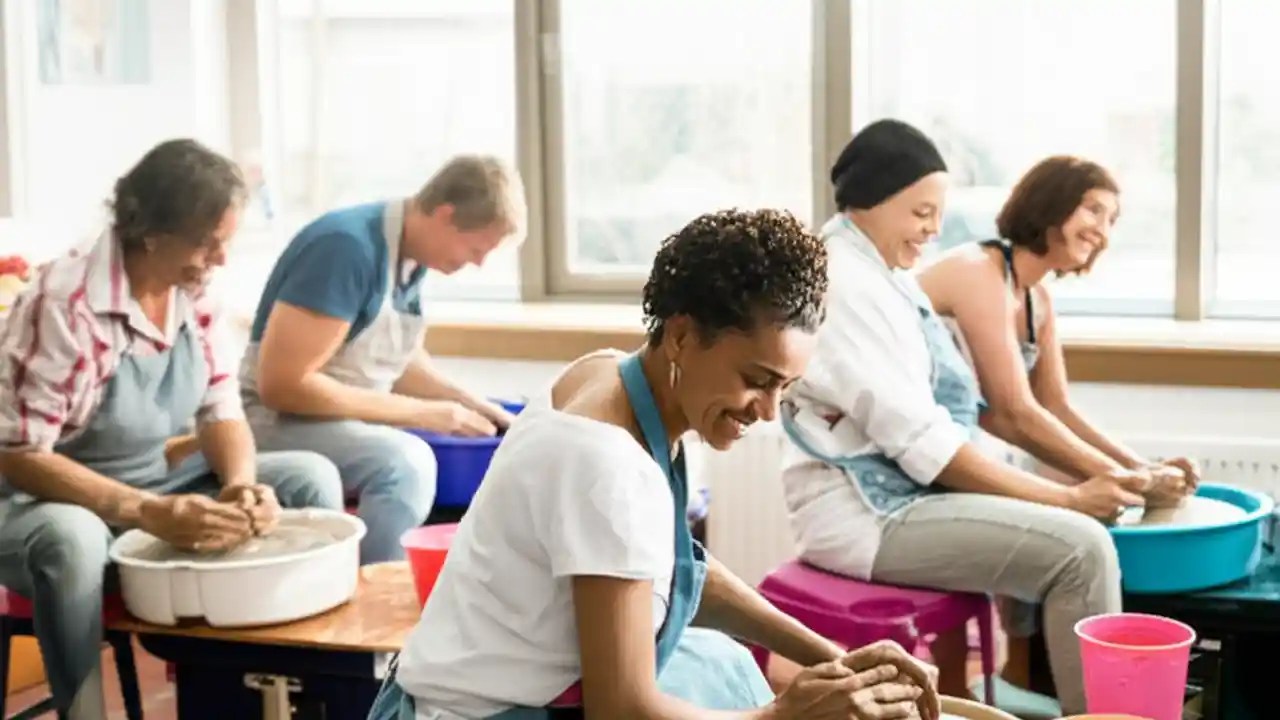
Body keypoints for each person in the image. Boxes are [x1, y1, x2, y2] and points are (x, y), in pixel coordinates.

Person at [368, 209, 941, 720]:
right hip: (468, 711)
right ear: (684, 336)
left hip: (490, 684)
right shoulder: (604, 464)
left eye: (785, 388)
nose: (768, 412)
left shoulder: (610, 375)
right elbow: (623, 710)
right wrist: (782, 716)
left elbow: (671, 562)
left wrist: (835, 657)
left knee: (721, 661)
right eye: (756, 381)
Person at [779, 120, 1158, 716]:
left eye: (937, 212)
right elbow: (930, 441)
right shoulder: (847, 282)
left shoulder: (883, 276)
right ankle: (1097, 713)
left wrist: (1129, 474)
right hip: (865, 514)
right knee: (1080, 548)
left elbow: (1033, 408)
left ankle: (1054, 700)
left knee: (1074, 526)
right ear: (871, 202)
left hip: (902, 497)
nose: (934, 228)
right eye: (920, 212)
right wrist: (1070, 500)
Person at [0, 139, 344, 720]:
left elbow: (220, 406)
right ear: (151, 231)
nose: (219, 259)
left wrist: (240, 483)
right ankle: (83, 713)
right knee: (75, 540)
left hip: (146, 488)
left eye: (224, 242)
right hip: (34, 500)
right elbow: (18, 453)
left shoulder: (192, 288)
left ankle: (289, 690)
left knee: (307, 477)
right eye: (207, 243)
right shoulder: (66, 301)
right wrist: (145, 511)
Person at [913, 155, 1199, 695]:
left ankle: (1027, 677)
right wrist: (1137, 484)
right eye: (1094, 209)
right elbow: (1010, 412)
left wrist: (1143, 467)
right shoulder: (979, 271)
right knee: (1069, 509)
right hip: (905, 467)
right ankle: (1039, 682)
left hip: (955, 456)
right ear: (1052, 201)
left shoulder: (1036, 296)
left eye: (1112, 220)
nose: (1103, 231)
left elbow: (1058, 408)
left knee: (1075, 491)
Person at [239, 155, 527, 563]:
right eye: (477, 248)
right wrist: (426, 414)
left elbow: (392, 363)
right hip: (272, 420)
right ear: (445, 215)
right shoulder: (346, 250)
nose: (478, 263)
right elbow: (283, 385)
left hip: (331, 419)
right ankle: (375, 596)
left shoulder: (410, 257)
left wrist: (471, 404)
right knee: (404, 464)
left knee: (447, 438)